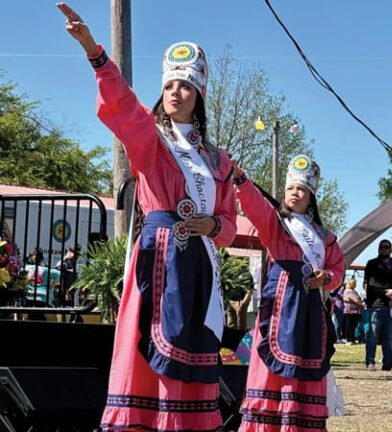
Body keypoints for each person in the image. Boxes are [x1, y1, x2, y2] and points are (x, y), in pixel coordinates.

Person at [58, 4, 239, 429]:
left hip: (198, 267)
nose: (176, 93)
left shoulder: (219, 161)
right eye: (171, 86)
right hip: (157, 261)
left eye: (186, 87)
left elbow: (229, 222)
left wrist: (213, 226)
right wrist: (94, 52)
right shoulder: (152, 141)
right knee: (150, 348)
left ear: (199, 96)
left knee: (192, 348)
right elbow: (123, 105)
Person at [231, 154, 345, 430]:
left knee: (305, 363)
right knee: (272, 364)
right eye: (291, 188)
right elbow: (256, 206)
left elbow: (338, 269)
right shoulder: (276, 224)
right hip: (280, 306)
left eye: (301, 190)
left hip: (310, 311)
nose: (295, 193)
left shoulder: (324, 237)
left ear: (311, 197)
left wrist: (326, 277)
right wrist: (241, 180)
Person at [364, 239, 392, 370]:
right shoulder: (372, 264)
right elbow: (369, 284)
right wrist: (385, 293)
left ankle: (388, 363)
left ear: (390, 249)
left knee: (389, 336)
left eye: (386, 247)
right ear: (378, 249)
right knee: (372, 335)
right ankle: (370, 362)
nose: (384, 249)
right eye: (382, 247)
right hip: (376, 305)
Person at [343, 278, 364, 344]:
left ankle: (352, 339)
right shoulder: (348, 290)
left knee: (353, 326)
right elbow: (354, 300)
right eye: (354, 283)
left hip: (355, 311)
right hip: (350, 311)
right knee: (350, 326)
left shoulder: (353, 291)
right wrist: (361, 304)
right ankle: (349, 339)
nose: (355, 285)